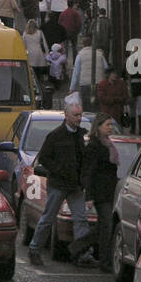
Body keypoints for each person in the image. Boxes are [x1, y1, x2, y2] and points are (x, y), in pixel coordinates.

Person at [28, 94, 95, 267]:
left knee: (81, 219)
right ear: (66, 116)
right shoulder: (55, 136)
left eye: (80, 115)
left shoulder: (81, 135)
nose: (79, 118)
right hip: (58, 184)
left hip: (75, 185)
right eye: (76, 115)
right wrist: (59, 170)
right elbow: (44, 158)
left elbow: (85, 161)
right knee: (48, 218)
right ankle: (34, 249)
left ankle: (83, 254)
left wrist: (83, 180)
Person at [76, 115, 121, 263]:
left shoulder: (108, 144)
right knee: (107, 225)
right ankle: (105, 261)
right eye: (107, 125)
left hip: (110, 191)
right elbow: (88, 172)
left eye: (111, 125)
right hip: (99, 192)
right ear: (99, 127)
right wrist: (89, 196)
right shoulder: (94, 146)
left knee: (102, 226)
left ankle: (75, 247)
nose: (110, 127)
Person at [70, 34, 107, 110]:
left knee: (87, 107)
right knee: (98, 106)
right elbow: (106, 68)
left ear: (83, 44)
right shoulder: (100, 54)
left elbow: (76, 73)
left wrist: (72, 88)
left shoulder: (80, 55)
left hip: (85, 84)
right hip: (99, 83)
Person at [24, 19, 50, 107]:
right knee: (40, 78)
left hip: (30, 57)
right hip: (40, 57)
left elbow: (24, 45)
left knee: (32, 78)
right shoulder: (40, 33)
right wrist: (47, 55)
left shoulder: (25, 34)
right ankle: (43, 95)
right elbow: (44, 44)